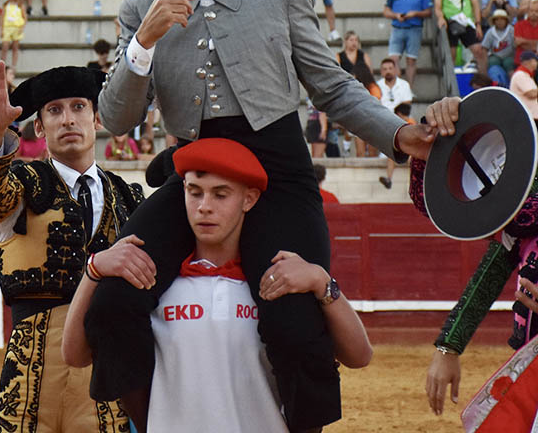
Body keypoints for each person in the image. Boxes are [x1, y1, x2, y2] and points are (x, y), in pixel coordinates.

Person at [90, 0, 439, 432]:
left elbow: (329, 85)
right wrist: (143, 42)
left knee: (295, 316)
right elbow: (115, 117)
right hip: (194, 178)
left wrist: (398, 136)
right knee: (113, 305)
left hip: (277, 172)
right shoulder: (140, 9)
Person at [64, 139, 371, 432]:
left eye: (221, 195)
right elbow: (74, 356)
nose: (204, 207)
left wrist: (321, 281)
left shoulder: (273, 287)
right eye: (195, 192)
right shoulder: (154, 285)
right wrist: (93, 271)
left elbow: (360, 356)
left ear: (248, 199)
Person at [0, 62, 144, 432]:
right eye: (55, 111)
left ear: (98, 119)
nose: (68, 120)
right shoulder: (21, 184)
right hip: (29, 377)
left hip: (105, 374)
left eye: (78, 107)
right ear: (39, 127)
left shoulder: (128, 197)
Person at [383, 0, 433, 87]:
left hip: (414, 29)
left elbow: (428, 12)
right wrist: (396, 15)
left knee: (411, 60)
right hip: (397, 28)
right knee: (393, 59)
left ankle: (409, 88)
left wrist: (415, 13)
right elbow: (386, 11)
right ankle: (397, 87)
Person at [434, 0, 485, 67]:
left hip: (466, 21)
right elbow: (438, 6)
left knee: (478, 50)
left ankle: (483, 79)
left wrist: (478, 24)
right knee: (451, 54)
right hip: (450, 22)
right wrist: (440, 17)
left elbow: (475, 4)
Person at [482, 9, 516, 86]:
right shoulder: (490, 32)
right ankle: (496, 84)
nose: (499, 22)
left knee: (509, 64)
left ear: (506, 20)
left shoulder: (511, 30)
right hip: (495, 55)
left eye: (502, 19)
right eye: (497, 19)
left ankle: (513, 84)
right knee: (492, 63)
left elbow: (515, 44)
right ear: (494, 21)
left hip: (509, 55)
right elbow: (484, 47)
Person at [0, 0, 26, 69]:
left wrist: (22, 27)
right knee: (5, 47)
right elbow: (2, 17)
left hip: (17, 28)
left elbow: (24, 17)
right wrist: (1, 29)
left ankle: (13, 65)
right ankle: (2, 64)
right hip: (7, 28)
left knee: (15, 47)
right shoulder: (6, 5)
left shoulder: (20, 5)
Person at [510, 52, 538, 121]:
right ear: (529, 62)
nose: (536, 63)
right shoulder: (520, 75)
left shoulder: (526, 75)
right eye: (535, 61)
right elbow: (531, 93)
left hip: (531, 115)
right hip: (528, 116)